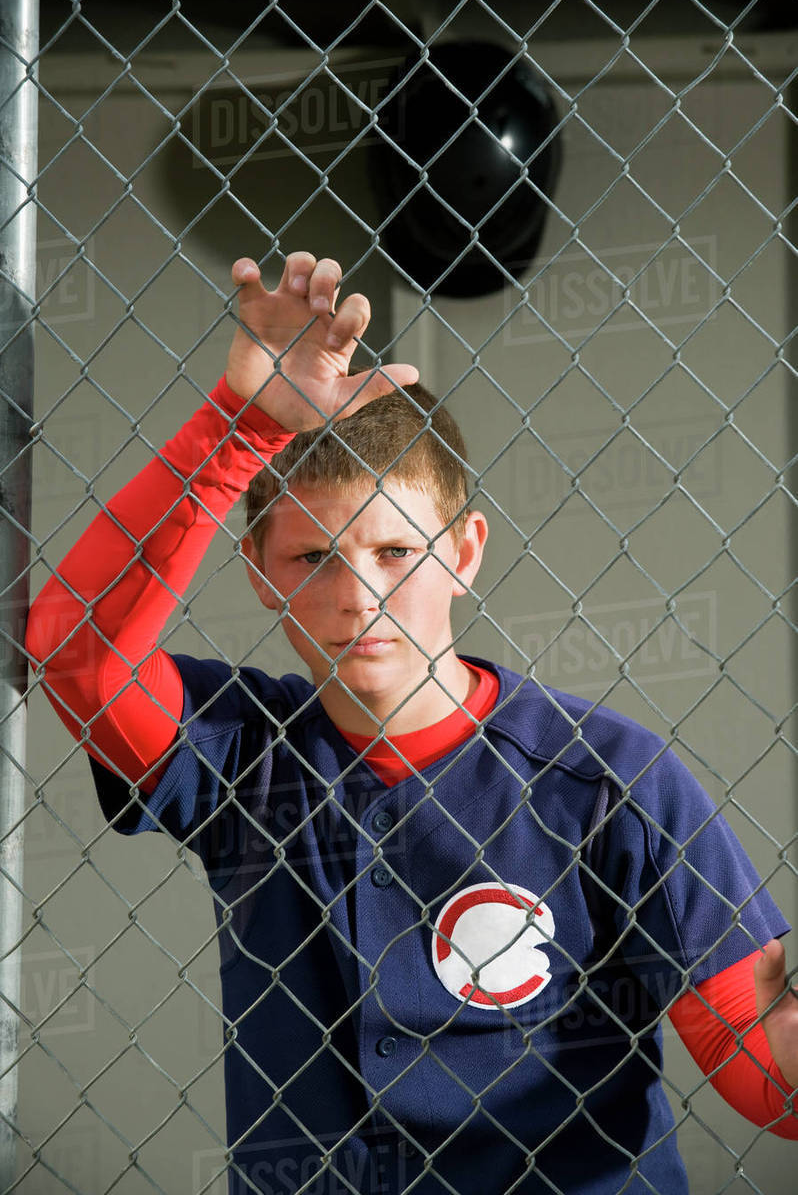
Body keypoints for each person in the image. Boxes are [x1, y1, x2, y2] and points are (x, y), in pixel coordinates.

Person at [26, 253, 797, 1195]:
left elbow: (766, 1078)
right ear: (262, 575)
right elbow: (75, 649)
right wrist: (242, 427)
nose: (358, 597)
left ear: (465, 551)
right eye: (313, 556)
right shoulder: (242, 751)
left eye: (398, 550)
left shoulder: (610, 777)